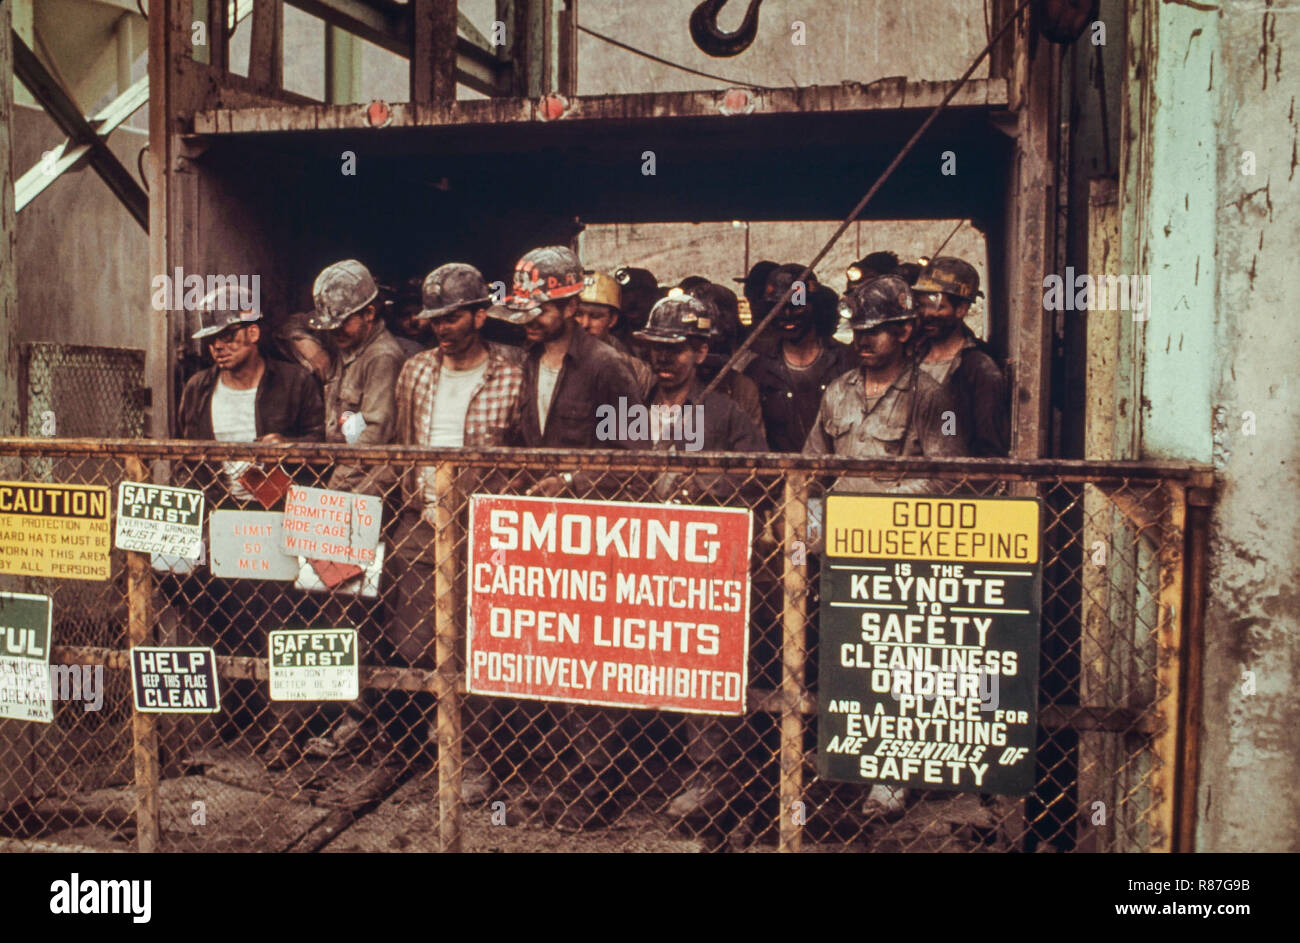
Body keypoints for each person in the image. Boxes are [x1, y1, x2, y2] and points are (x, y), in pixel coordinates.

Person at [494, 246, 645, 831]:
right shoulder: (529, 362)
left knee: (591, 668)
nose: (528, 321)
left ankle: (595, 789)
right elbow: (524, 441)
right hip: (542, 538)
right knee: (547, 663)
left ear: (569, 304)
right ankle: (556, 781)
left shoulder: (607, 367)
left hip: (595, 538)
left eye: (539, 310)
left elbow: (637, 460)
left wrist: (572, 481)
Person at [803, 276, 963, 823]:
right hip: (840, 553)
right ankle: (842, 758)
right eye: (858, 332)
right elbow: (812, 466)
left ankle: (891, 773)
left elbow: (948, 477)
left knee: (895, 661)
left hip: (901, 554)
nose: (863, 341)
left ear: (904, 332)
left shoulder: (931, 396)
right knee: (840, 656)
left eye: (875, 332)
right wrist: (812, 517)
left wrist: (873, 507)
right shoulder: (837, 390)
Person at [629, 292, 770, 846]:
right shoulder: (631, 409)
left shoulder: (725, 413)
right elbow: (607, 471)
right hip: (635, 553)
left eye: (677, 349)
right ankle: (602, 771)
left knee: (700, 659)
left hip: (700, 562)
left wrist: (701, 487)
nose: (664, 359)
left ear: (701, 352)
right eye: (655, 348)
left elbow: (758, 476)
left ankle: (713, 773)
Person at [382, 262, 524, 796]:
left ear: (480, 316)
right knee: (415, 642)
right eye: (435, 318)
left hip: (483, 528)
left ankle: (473, 757)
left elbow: (523, 452)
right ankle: (440, 735)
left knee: (475, 646)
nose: (441, 327)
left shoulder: (512, 373)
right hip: (422, 520)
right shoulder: (416, 371)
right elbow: (400, 443)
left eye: (453, 317)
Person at [176, 288, 325, 769]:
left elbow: (325, 450)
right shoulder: (198, 388)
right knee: (222, 617)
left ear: (253, 333)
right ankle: (236, 723)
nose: (218, 346)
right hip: (221, 518)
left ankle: (286, 731)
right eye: (211, 339)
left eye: (228, 336)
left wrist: (290, 450)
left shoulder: (294, 382)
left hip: (277, 515)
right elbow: (188, 459)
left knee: (283, 624)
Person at [308, 259, 407, 494]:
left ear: (369, 313)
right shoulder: (347, 344)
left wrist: (333, 491)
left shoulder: (382, 357)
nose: (334, 330)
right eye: (330, 325)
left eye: (342, 322)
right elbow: (290, 326)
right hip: (344, 464)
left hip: (366, 478)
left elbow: (374, 436)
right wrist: (308, 347)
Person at [744, 264, 856, 452]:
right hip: (780, 469)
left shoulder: (846, 362)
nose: (787, 315)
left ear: (814, 307)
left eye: (797, 306)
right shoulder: (759, 371)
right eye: (780, 308)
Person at [911, 257, 1009, 457]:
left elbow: (990, 447)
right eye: (922, 305)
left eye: (938, 307)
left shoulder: (980, 370)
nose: (927, 314)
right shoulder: (910, 358)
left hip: (953, 472)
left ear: (961, 310)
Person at [576, 271, 653, 397]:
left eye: (595, 316)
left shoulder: (638, 372)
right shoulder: (550, 360)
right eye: (578, 314)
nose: (584, 324)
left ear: (612, 320)